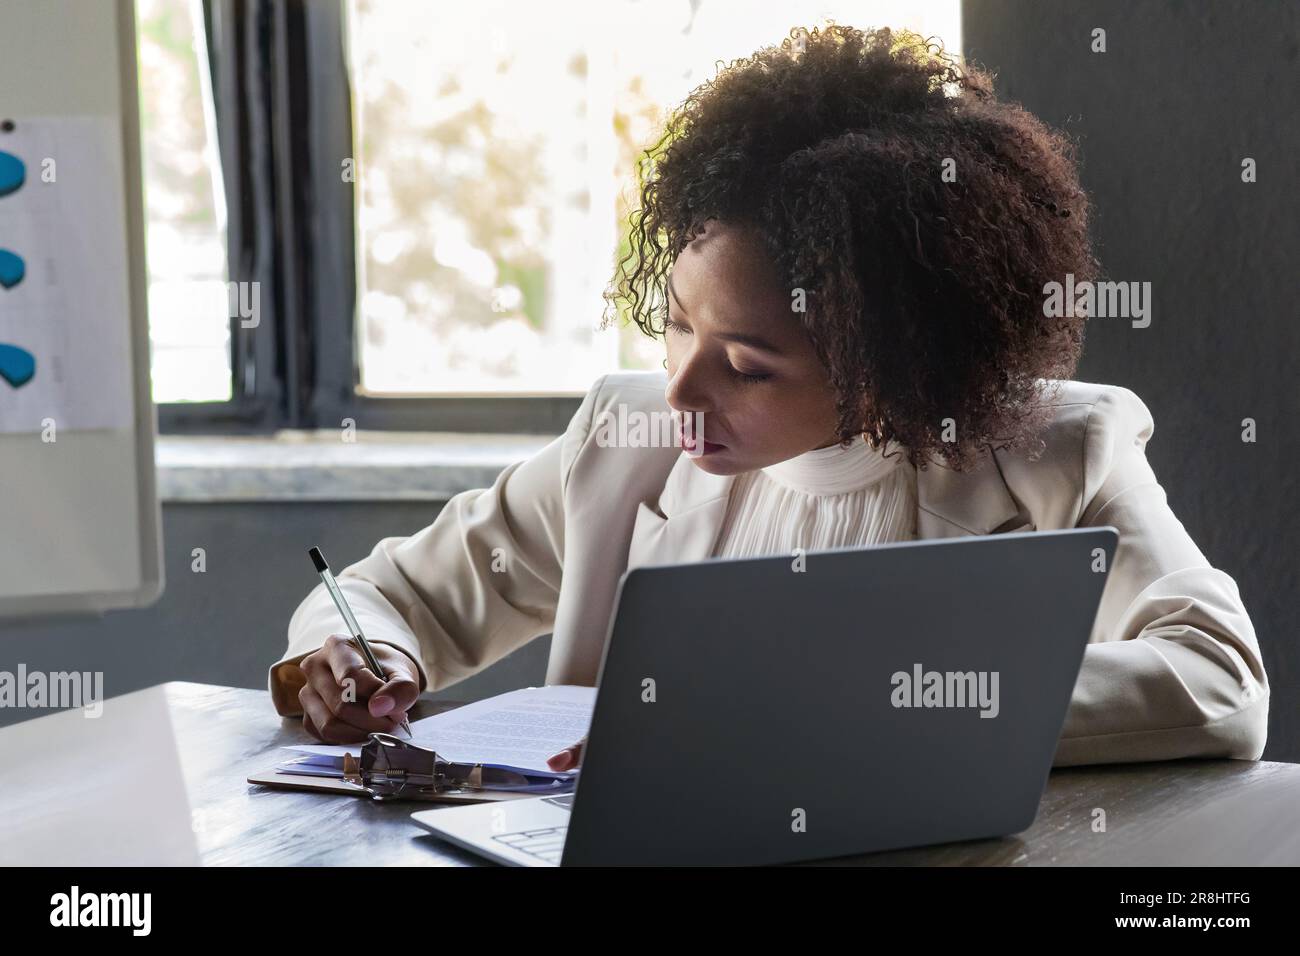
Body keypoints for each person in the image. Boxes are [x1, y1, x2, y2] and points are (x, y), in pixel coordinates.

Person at [268, 25, 1268, 771]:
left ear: (891, 359)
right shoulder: (624, 445)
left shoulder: (1050, 458)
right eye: (673, 322)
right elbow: (387, 593)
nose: (681, 385)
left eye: (747, 362)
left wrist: (860, 703)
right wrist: (360, 657)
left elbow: (1215, 682)